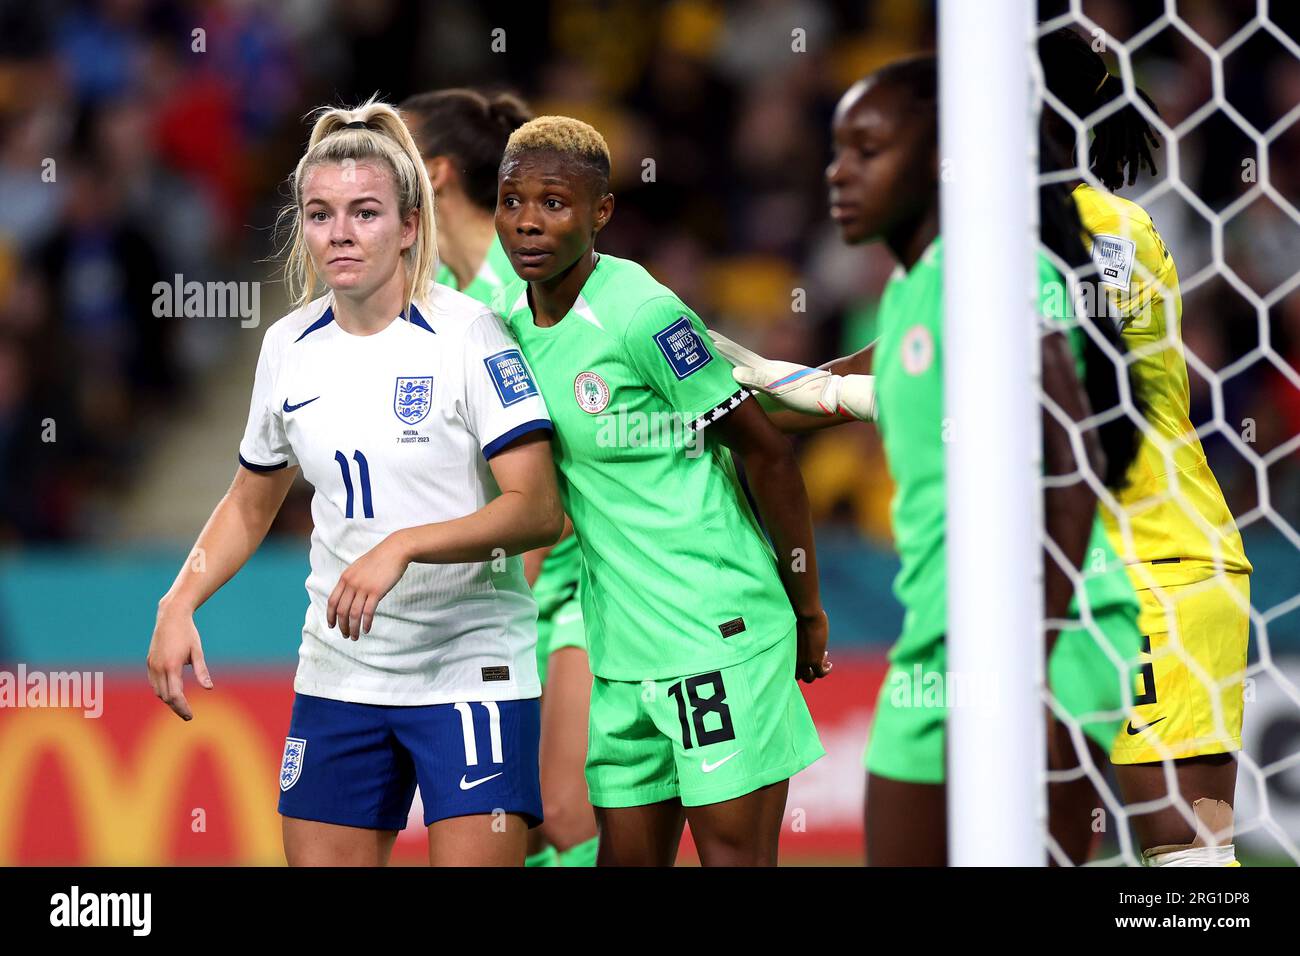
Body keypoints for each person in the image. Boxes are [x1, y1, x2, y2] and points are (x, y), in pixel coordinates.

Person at [710, 56, 1143, 865]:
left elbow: (1072, 465)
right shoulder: (911, 288)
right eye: (838, 149)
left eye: (869, 151)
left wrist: (1035, 657)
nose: (838, 172)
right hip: (939, 636)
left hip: (1047, 631)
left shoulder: (1005, 274)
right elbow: (851, 385)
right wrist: (720, 388)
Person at [146, 98, 562, 867]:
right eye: (320, 213)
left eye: (364, 212)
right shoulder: (287, 348)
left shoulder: (470, 334)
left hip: (470, 666)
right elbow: (250, 499)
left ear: (409, 225)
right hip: (340, 671)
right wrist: (180, 599)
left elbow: (538, 509)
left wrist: (404, 545)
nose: (339, 232)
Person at [495, 115, 829, 866]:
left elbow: (767, 453)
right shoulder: (510, 327)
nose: (527, 221)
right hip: (622, 648)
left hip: (715, 629)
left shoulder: (642, 315)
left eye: (553, 202)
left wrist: (807, 607)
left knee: (732, 857)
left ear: (601, 213)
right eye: (512, 200)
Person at [1037, 26, 1252, 866]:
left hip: (1152, 570)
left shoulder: (1067, 237)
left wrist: (826, 391)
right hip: (1119, 572)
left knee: (1187, 865)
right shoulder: (1121, 225)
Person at [401, 87, 599, 868]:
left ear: (438, 173)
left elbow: (562, 466)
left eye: (398, 152)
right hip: (501, 601)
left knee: (563, 810)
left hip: (574, 589)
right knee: (519, 826)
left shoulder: (525, 294)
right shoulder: (439, 306)